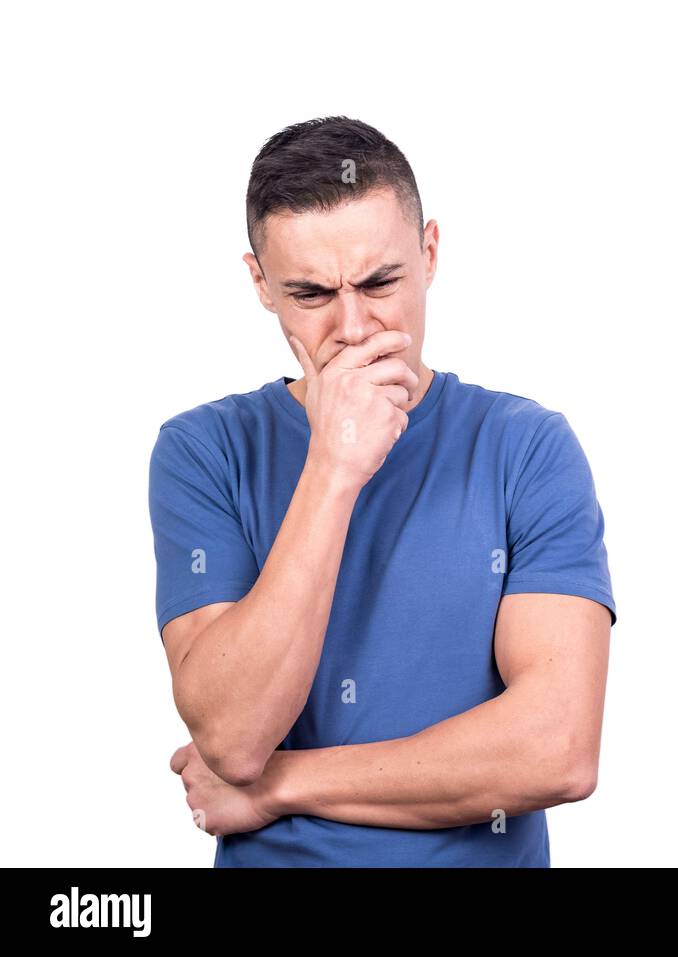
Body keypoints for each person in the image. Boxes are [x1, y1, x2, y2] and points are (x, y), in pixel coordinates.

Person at [148, 116, 616, 867]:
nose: (355, 327)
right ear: (260, 283)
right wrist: (333, 467)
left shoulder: (527, 447)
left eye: (380, 282)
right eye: (310, 294)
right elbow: (234, 736)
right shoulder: (204, 451)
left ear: (430, 253)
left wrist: (280, 785)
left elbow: (558, 749)